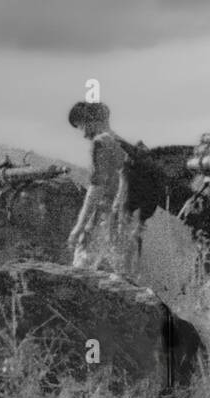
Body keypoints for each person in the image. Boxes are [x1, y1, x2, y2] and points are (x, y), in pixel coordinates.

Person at [67, 101, 139, 277]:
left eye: (82, 127)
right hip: (126, 218)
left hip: (105, 216)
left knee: (81, 269)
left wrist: (79, 226)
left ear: (91, 121)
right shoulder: (123, 144)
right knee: (118, 272)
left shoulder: (101, 143)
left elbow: (96, 189)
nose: (84, 135)